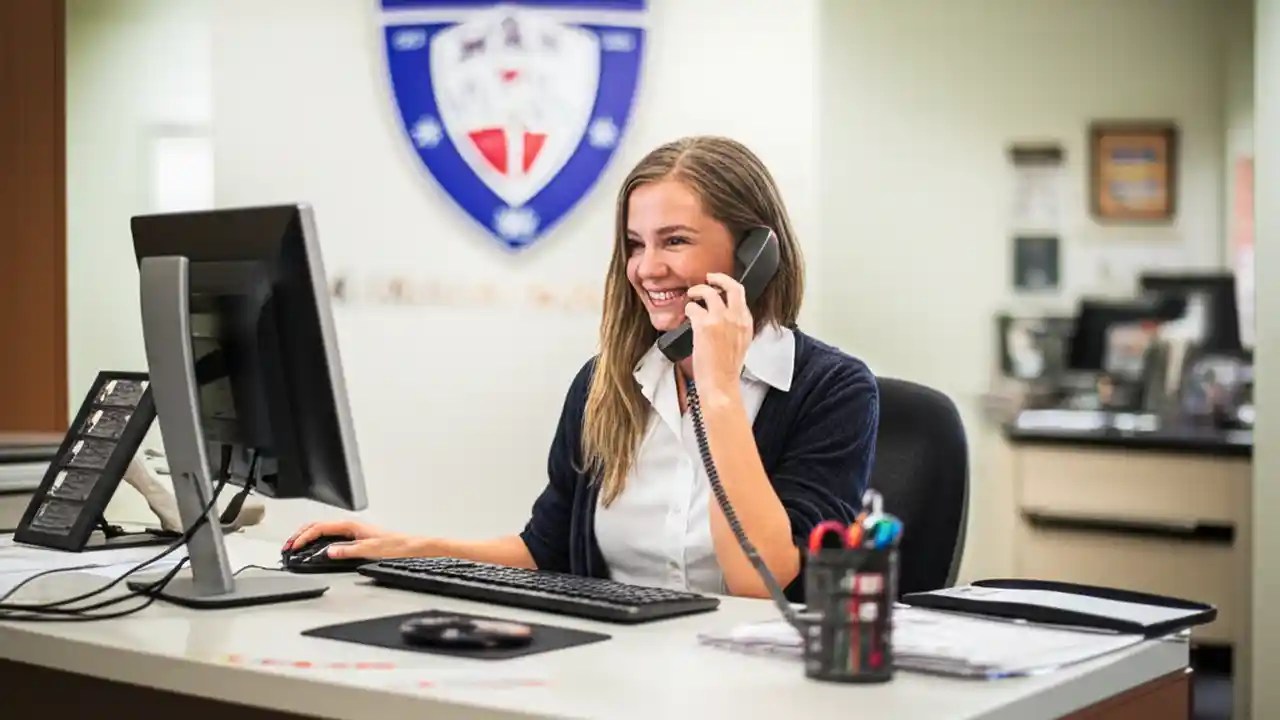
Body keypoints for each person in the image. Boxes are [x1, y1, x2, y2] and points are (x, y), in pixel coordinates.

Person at [285, 136, 879, 600]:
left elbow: (763, 581)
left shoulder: (833, 390)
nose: (647, 269)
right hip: (608, 671)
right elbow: (544, 551)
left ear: (755, 253)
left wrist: (719, 391)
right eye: (634, 244)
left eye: (674, 241)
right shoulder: (607, 383)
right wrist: (406, 548)